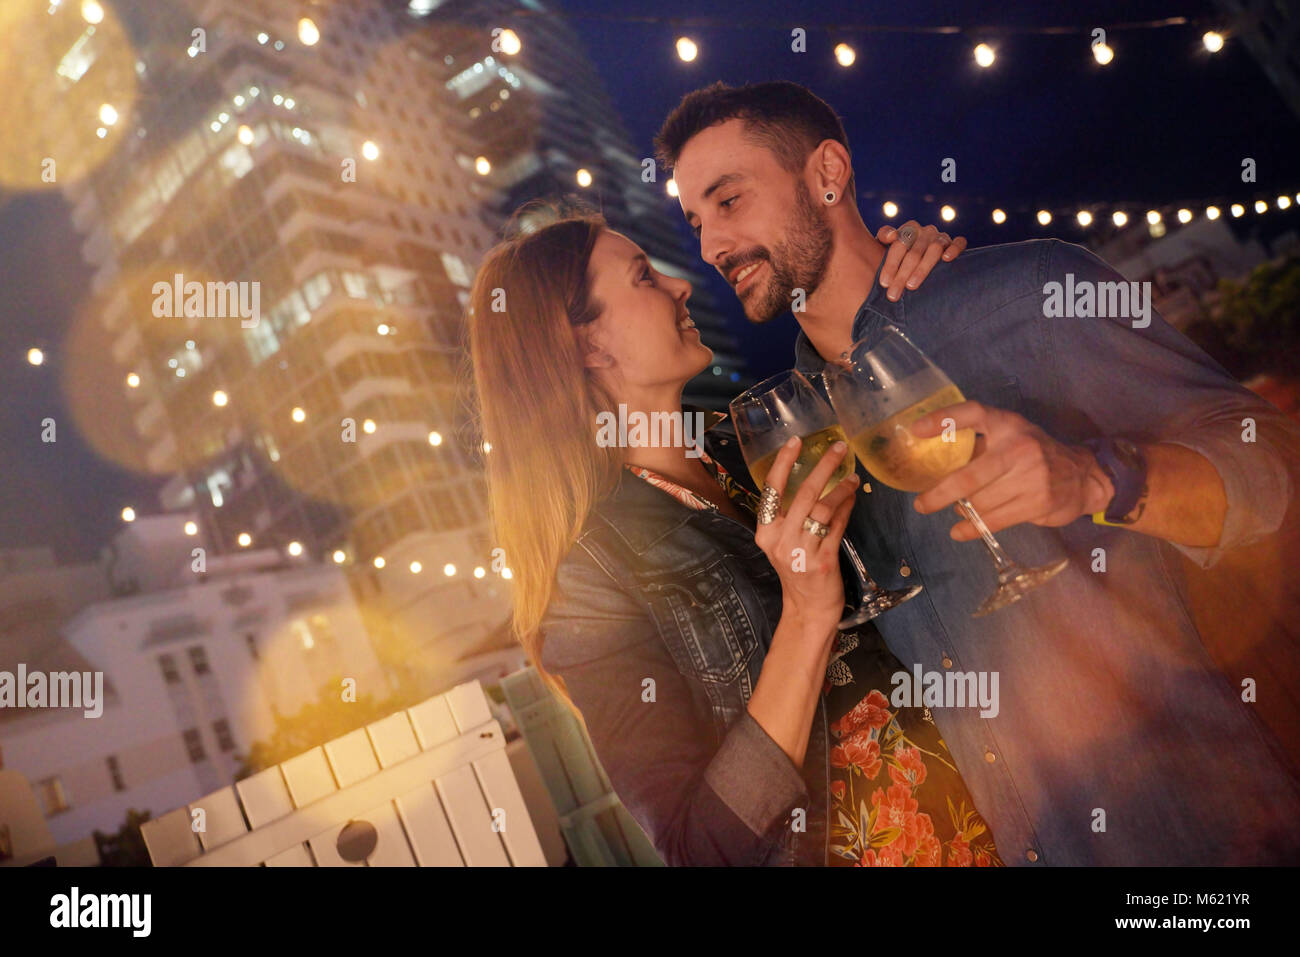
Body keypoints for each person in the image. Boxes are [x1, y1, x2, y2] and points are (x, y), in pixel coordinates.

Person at [654, 79, 1300, 865]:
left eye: (728, 201)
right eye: (695, 222)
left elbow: (1271, 459)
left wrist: (1101, 480)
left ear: (827, 172)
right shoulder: (798, 437)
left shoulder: (1027, 293)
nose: (711, 245)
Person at [467, 203, 1000, 865]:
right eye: (642, 277)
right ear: (589, 345)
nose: (681, 283)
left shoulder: (749, 447)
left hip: (988, 812)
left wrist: (907, 276)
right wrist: (806, 613)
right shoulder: (586, 578)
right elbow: (701, 846)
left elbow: (910, 449)